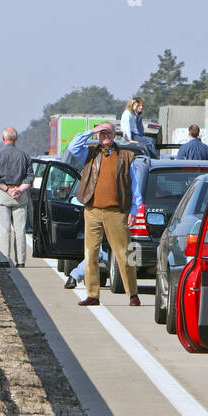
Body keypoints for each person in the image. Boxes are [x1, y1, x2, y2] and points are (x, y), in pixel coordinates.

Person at [64, 121, 140, 306]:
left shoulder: (127, 156)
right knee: (90, 253)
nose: (105, 135)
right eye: (102, 133)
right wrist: (91, 131)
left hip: (117, 211)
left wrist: (134, 210)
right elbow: (73, 147)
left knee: (125, 253)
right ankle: (92, 295)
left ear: (115, 135)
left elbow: (135, 186)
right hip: (92, 210)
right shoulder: (89, 153)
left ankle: (133, 293)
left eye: (108, 132)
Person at [0, 127, 33, 268]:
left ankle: (4, 259)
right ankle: (21, 261)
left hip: (2, 196)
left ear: (3, 138)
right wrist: (19, 189)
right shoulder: (24, 155)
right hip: (20, 196)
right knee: (20, 230)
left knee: (4, 228)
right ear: (16, 139)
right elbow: (30, 177)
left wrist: (7, 189)